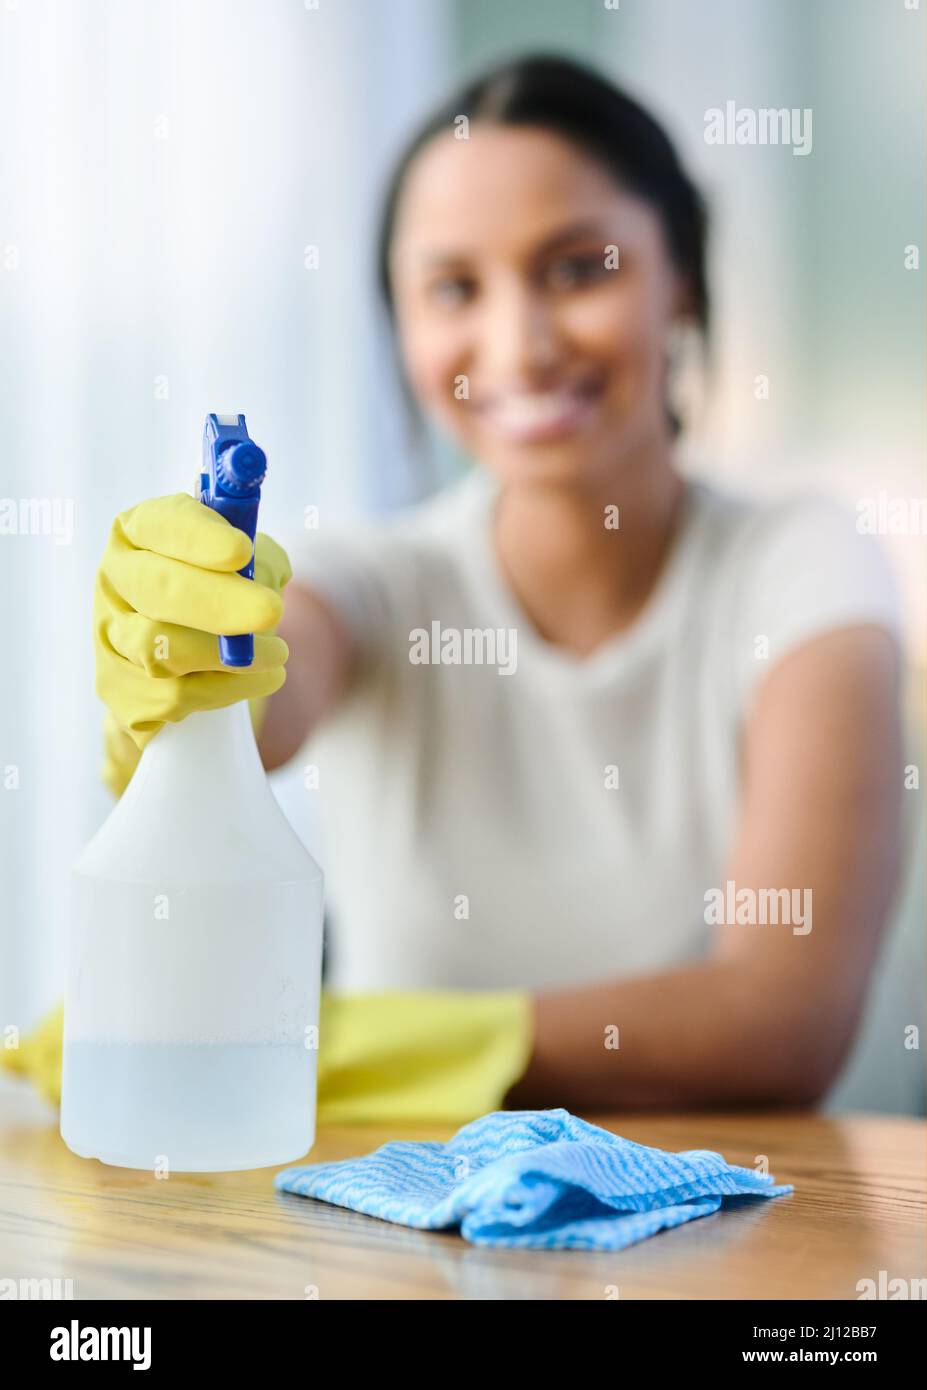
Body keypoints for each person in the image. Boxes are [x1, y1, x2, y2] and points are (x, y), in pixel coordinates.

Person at [7, 55, 903, 1119]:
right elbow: (262, 704)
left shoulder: (803, 565)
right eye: (453, 288)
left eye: (579, 268)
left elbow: (779, 1021)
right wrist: (179, 681)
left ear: (684, 283)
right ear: (402, 327)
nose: (518, 344)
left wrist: (353, 1048)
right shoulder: (375, 582)